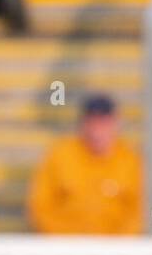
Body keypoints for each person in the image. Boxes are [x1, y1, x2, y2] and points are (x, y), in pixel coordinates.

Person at [28, 93, 143, 234]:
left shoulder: (130, 161)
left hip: (115, 250)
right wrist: (65, 241)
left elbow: (139, 210)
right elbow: (41, 205)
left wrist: (116, 244)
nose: (97, 131)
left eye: (103, 124)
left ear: (115, 124)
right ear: (82, 124)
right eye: (92, 123)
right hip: (66, 249)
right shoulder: (61, 155)